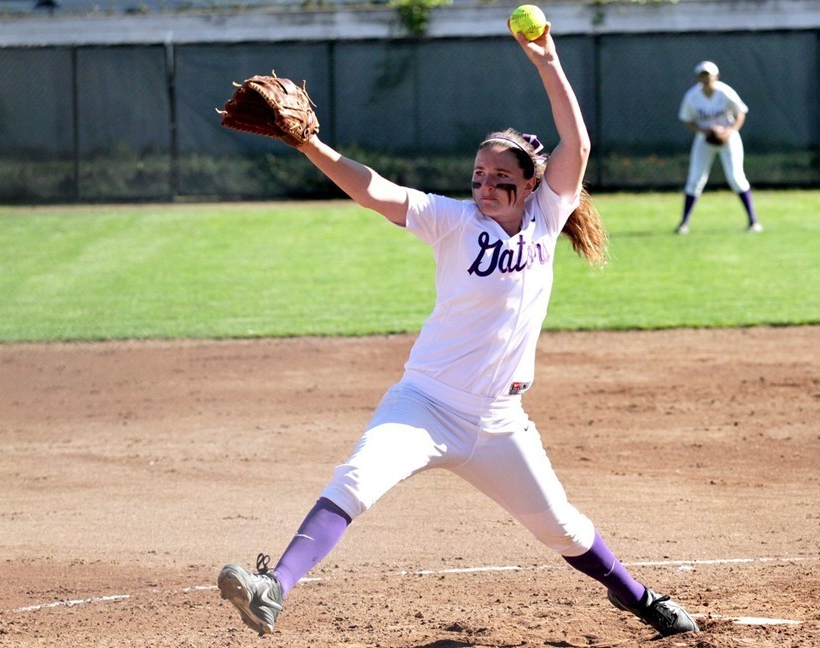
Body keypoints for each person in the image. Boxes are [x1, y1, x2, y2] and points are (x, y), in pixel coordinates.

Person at [216, 21, 699, 640]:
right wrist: (312, 145)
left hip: (500, 423)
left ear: (531, 183)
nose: (486, 186)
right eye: (478, 176)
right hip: (426, 403)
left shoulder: (548, 217)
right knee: (356, 478)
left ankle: (640, 598)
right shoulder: (452, 221)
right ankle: (272, 588)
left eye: (501, 178)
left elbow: (575, 140)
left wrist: (548, 60)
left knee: (563, 529)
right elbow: (376, 192)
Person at [675, 60, 761, 234]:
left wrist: (729, 132)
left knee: (736, 178)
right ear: (698, 77)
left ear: (716, 76)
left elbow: (740, 113)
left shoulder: (725, 92)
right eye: (703, 75)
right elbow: (687, 120)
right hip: (704, 139)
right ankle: (684, 223)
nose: (706, 78)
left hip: (729, 137)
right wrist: (705, 131)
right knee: (695, 180)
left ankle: (753, 221)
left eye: (709, 74)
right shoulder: (692, 96)